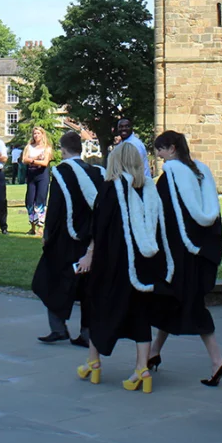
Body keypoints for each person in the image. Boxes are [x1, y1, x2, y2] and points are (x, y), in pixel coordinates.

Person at [74, 141, 172, 394]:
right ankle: (142, 368)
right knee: (139, 313)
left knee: (97, 305)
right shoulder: (148, 189)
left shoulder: (110, 189)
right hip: (142, 263)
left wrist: (89, 255)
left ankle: (93, 362)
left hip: (113, 263)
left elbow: (99, 228)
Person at [147, 131, 222, 385]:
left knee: (188, 304)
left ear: (171, 148)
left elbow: (163, 215)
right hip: (199, 251)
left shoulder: (170, 176)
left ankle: (218, 361)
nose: (159, 155)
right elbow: (211, 216)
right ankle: (153, 353)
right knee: (175, 303)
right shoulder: (201, 172)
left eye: (160, 149)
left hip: (178, 255)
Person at [32, 130, 101, 346]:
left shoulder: (62, 172)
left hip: (65, 237)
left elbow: (55, 206)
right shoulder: (95, 171)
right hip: (90, 238)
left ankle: (58, 327)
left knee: (51, 279)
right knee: (87, 285)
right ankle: (87, 332)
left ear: (63, 150)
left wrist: (47, 233)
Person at [22, 127, 53, 236]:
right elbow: (24, 159)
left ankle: (40, 227)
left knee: (40, 200)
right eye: (34, 133)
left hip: (42, 176)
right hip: (31, 176)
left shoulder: (47, 148)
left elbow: (44, 162)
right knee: (30, 200)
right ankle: (32, 226)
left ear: (42, 135)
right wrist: (35, 159)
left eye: (38, 133)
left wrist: (32, 160)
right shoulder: (29, 147)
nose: (36, 135)